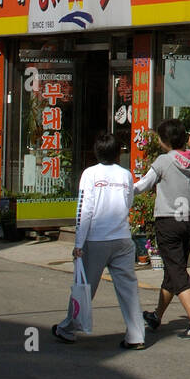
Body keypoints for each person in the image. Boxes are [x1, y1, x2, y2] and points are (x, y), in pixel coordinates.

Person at [52, 132, 147, 349]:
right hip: (122, 238)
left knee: (85, 286)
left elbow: (84, 210)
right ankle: (136, 336)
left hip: (96, 240)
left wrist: (78, 244)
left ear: (97, 152)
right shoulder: (125, 175)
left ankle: (68, 329)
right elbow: (129, 201)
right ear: (117, 153)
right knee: (128, 289)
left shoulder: (90, 174)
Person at [136, 118, 190, 340]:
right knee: (174, 269)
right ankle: (156, 315)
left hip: (167, 222)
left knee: (177, 271)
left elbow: (144, 184)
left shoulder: (163, 161)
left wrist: (123, 193)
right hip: (189, 221)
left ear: (164, 140)